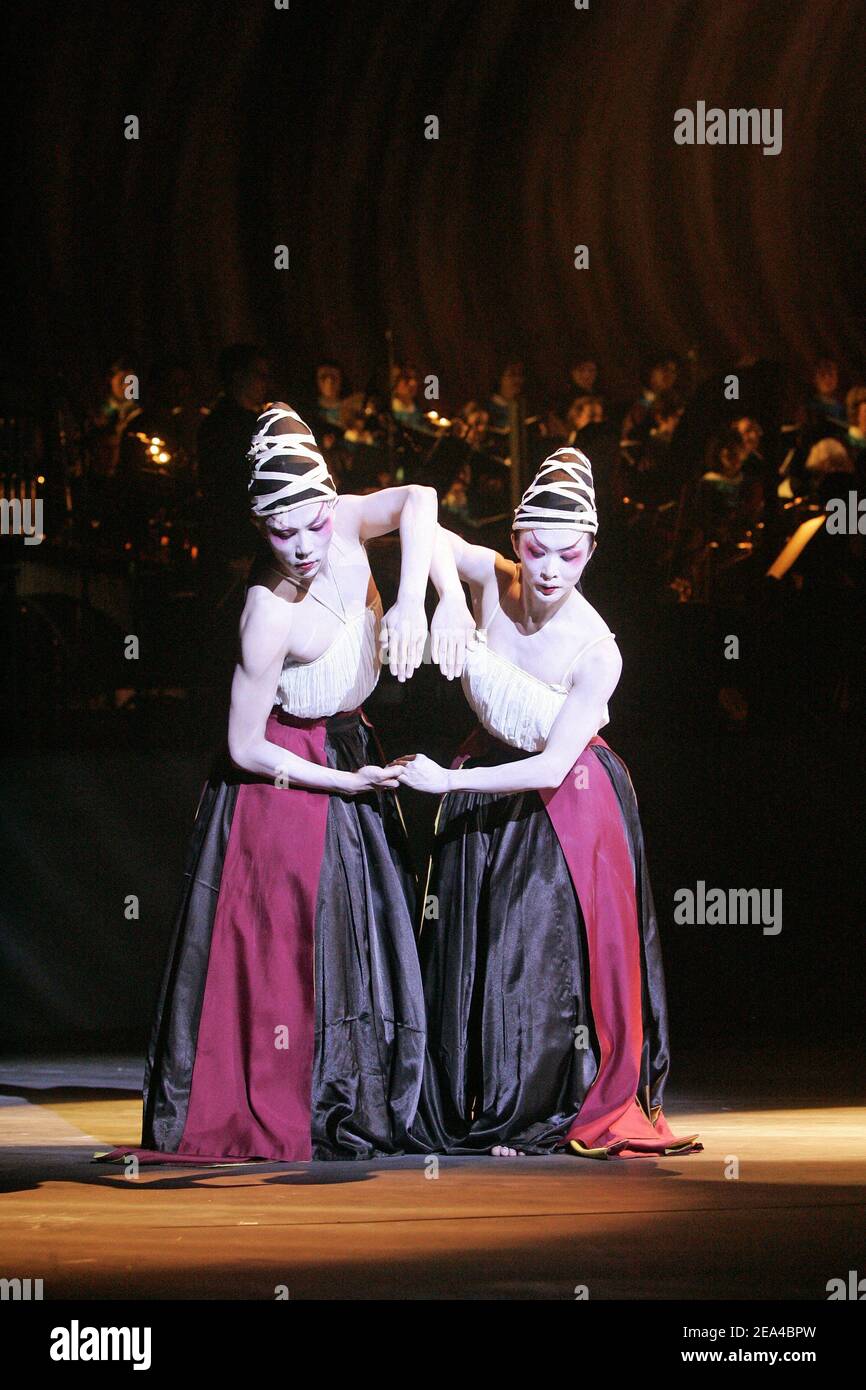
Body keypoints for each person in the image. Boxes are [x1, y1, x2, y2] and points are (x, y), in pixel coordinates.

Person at [94, 402, 465, 1166]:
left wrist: (421, 598)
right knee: (292, 954)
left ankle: (356, 1093)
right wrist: (339, 782)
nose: (300, 546)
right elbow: (242, 745)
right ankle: (291, 1099)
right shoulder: (266, 612)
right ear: (258, 526)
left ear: (331, 504)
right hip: (284, 782)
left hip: (348, 747)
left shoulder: (352, 522)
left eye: (312, 524)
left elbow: (421, 498)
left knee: (359, 941)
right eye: (279, 531)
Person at [397, 447, 703, 1159]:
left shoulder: (597, 652)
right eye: (537, 550)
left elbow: (551, 764)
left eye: (570, 554)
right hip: (487, 775)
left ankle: (543, 1108)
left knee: (536, 956)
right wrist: (444, 598)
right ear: (515, 540)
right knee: (476, 946)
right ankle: (482, 1100)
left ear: (591, 550)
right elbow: (421, 521)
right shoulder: (491, 578)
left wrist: (446, 783)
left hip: (567, 800)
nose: (551, 569)